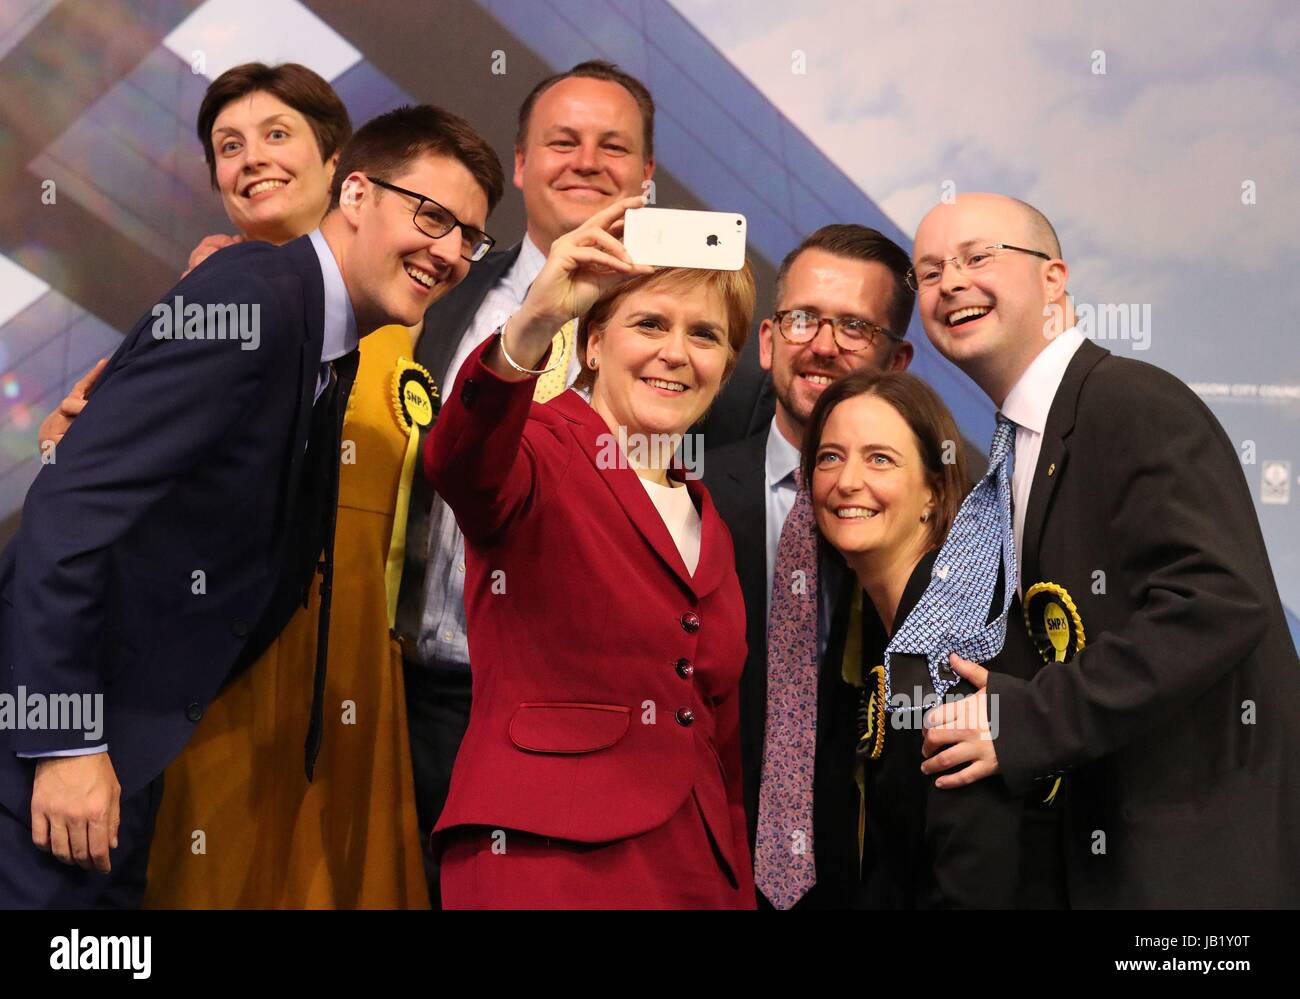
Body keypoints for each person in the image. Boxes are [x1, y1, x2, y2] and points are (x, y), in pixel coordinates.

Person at [0, 99, 493, 908]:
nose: (449, 254)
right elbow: (68, 514)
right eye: (433, 217)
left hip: (124, 751)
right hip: (52, 757)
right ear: (358, 194)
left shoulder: (325, 335)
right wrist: (65, 741)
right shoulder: (256, 303)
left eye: (469, 238)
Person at [913, 193, 1300, 907]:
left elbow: (1216, 600)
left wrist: (1031, 718)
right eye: (929, 271)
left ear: (1053, 278)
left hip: (1193, 883)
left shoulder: (1131, 401)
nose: (951, 282)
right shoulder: (1028, 438)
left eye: (977, 257)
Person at [425, 195, 757, 908]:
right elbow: (458, 463)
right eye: (649, 323)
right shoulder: (539, 445)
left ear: (726, 368)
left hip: (694, 872)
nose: (676, 352)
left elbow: (716, 736)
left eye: (706, 334)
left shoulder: (710, 521)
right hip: (546, 858)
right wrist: (533, 326)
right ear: (595, 342)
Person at [393, 60, 656, 902]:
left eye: (613, 146)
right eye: (562, 141)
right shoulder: (438, 286)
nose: (586, 161)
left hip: (590, 717)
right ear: (519, 164)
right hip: (417, 696)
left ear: (647, 175)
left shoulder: (685, 317)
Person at [704, 224, 985, 908]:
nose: (822, 345)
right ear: (768, 338)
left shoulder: (958, 550)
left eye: (855, 327)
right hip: (700, 871)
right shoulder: (686, 496)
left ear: (898, 359)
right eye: (803, 319)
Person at [803, 370, 1040, 907]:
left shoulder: (953, 629)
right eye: (829, 457)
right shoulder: (870, 618)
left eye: (880, 459)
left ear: (934, 492)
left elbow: (974, 868)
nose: (846, 481)